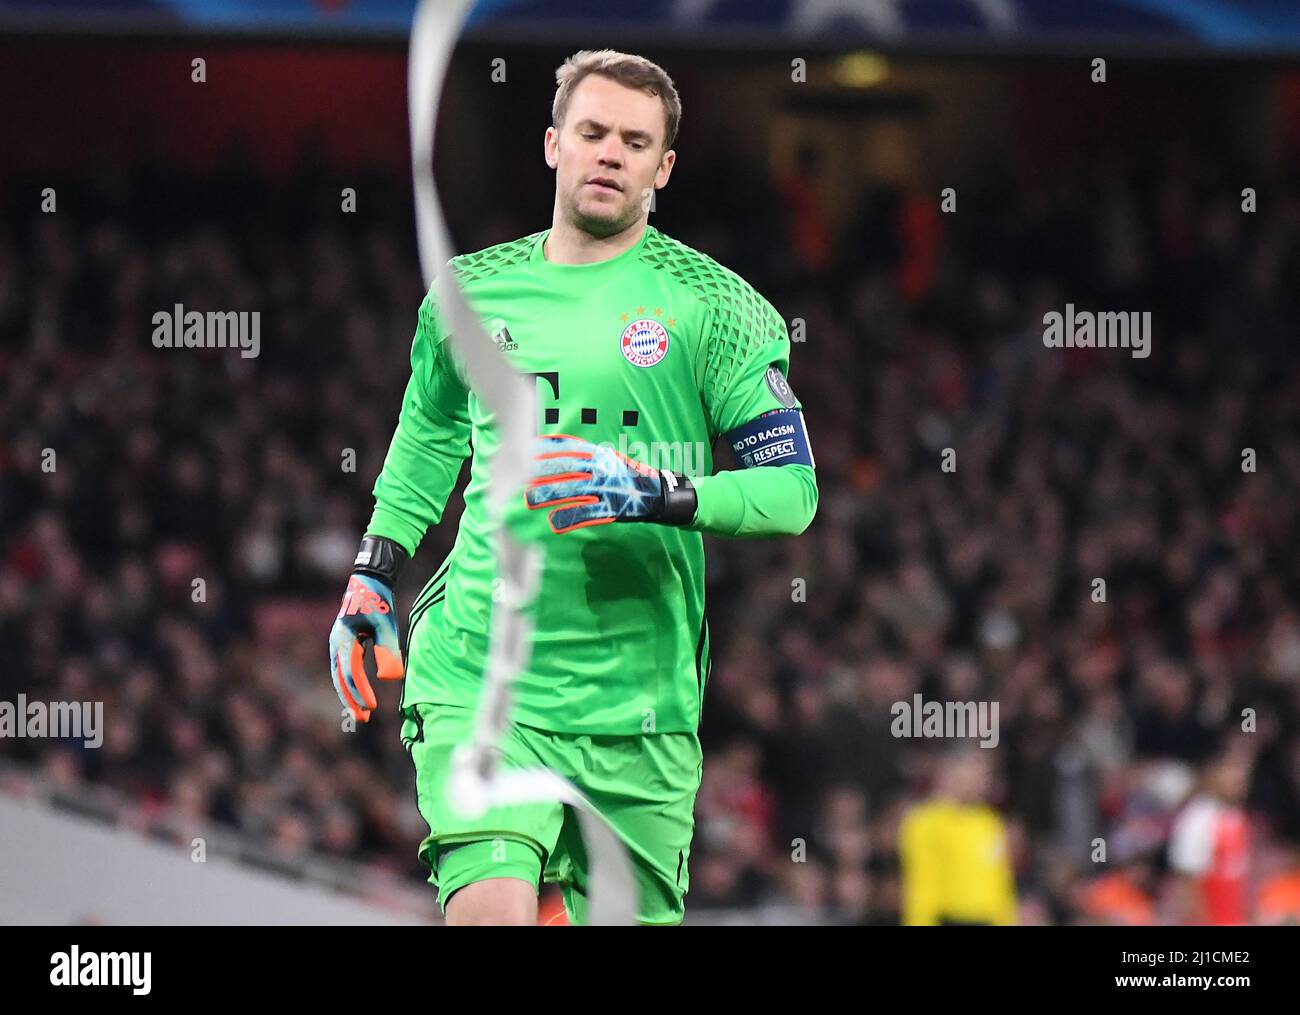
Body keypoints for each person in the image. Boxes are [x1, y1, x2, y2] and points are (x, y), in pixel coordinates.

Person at [328, 49, 818, 925]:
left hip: (640, 707)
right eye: (592, 132)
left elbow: (791, 491)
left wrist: (659, 494)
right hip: (483, 675)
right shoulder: (469, 293)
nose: (610, 153)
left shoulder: (718, 307)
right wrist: (373, 568)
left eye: (635, 141)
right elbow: (429, 436)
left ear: (662, 168)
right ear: (554, 143)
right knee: (494, 910)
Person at [899, 748, 1018, 925]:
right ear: (950, 775)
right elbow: (921, 884)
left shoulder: (990, 823)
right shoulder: (925, 822)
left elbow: (1001, 882)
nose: (979, 782)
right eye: (972, 774)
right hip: (949, 919)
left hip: (988, 920)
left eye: (983, 776)